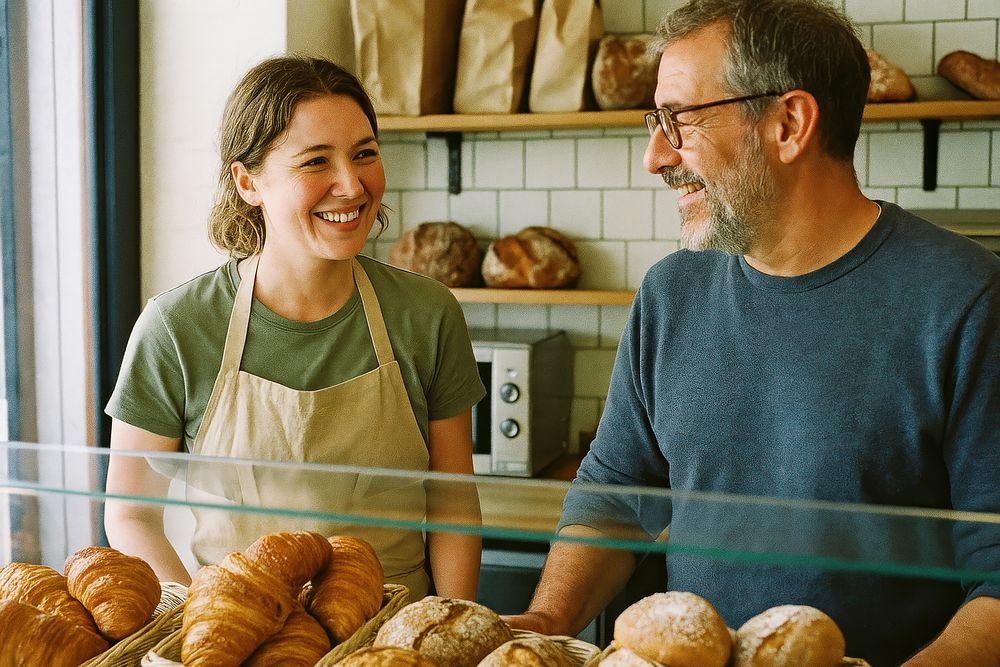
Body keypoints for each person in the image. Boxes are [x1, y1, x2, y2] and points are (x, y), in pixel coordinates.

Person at [506, 1, 1000, 664]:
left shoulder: (966, 299)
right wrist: (545, 618)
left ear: (789, 124)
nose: (655, 156)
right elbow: (617, 496)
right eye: (657, 121)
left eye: (679, 119)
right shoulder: (668, 293)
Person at [103, 55, 485, 602]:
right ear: (247, 181)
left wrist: (450, 624)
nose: (351, 186)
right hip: (241, 644)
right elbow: (131, 514)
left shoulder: (427, 314)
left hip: (392, 642)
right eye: (315, 162)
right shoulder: (178, 327)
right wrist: (199, 623)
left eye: (364, 155)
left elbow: (453, 507)